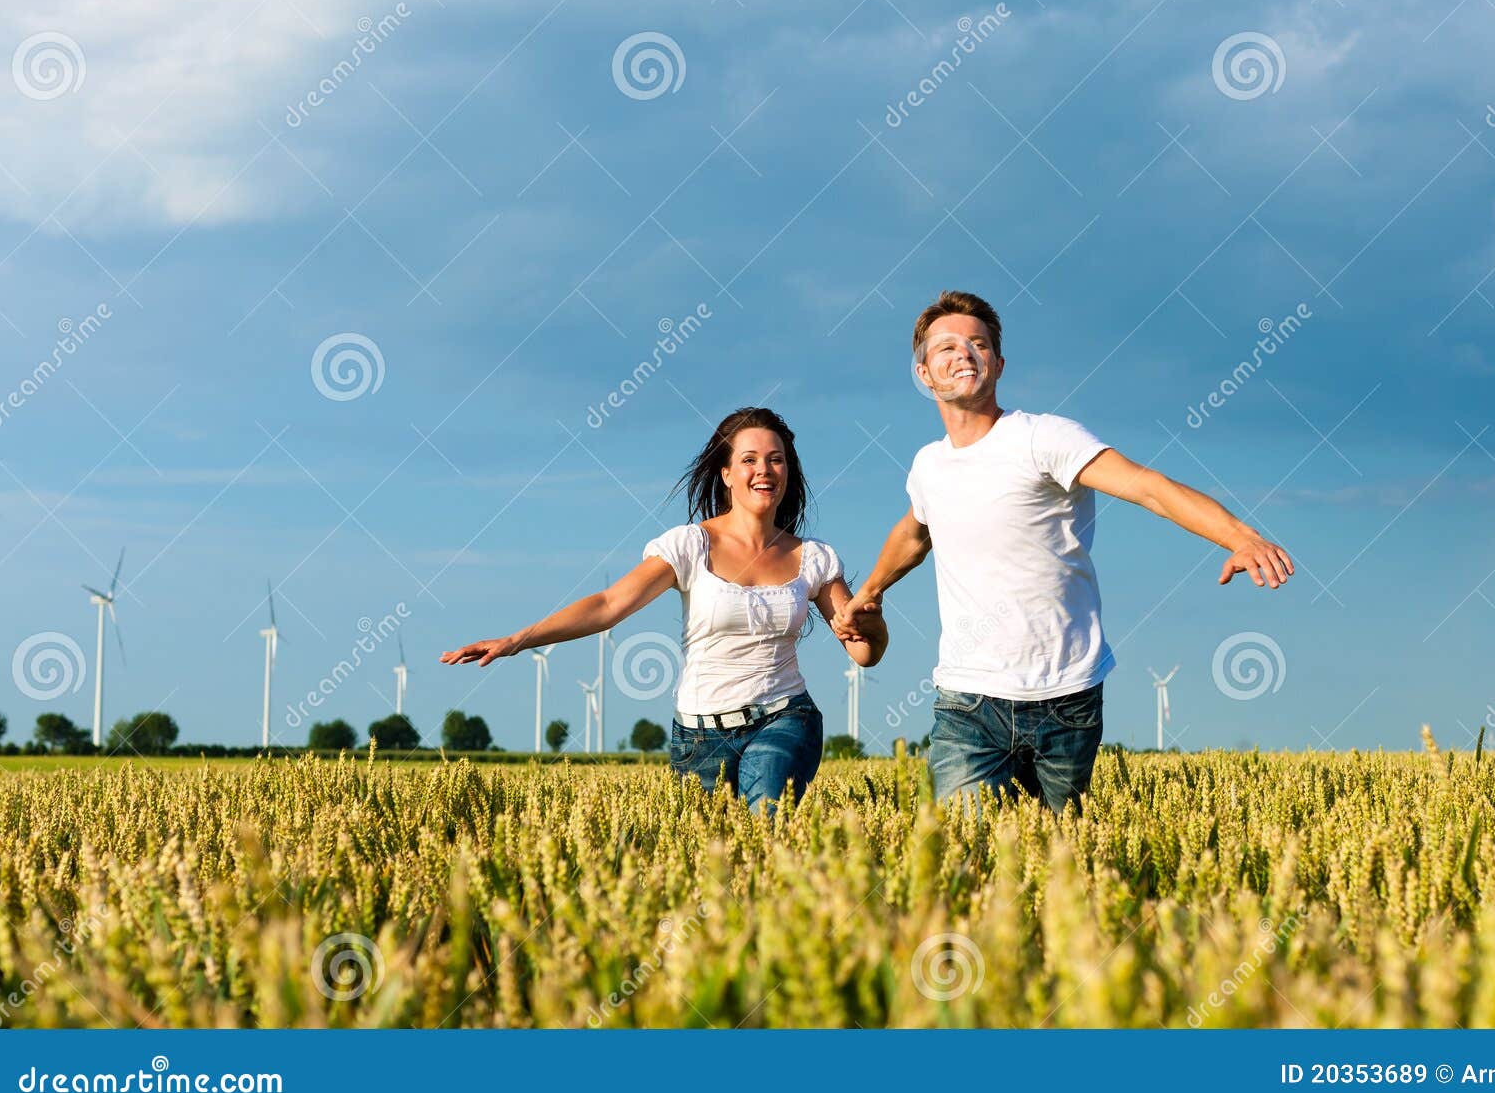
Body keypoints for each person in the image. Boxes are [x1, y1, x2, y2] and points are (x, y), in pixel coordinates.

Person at [833, 290, 1293, 814]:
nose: (964, 353)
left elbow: (1148, 488)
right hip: (967, 701)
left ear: (998, 363)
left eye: (978, 344)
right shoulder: (928, 466)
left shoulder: (1044, 438)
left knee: (1059, 851)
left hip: (1067, 697)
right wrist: (870, 590)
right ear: (924, 374)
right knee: (965, 848)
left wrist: (1239, 536)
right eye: (947, 347)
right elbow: (916, 532)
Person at [441, 406, 887, 810]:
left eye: (776, 459)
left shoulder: (814, 558)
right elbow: (609, 604)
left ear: (788, 470)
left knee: (766, 819)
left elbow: (863, 651)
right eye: (749, 459)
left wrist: (873, 623)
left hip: (784, 717)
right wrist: (518, 640)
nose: (764, 470)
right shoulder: (690, 545)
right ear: (726, 474)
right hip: (699, 737)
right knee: (704, 857)